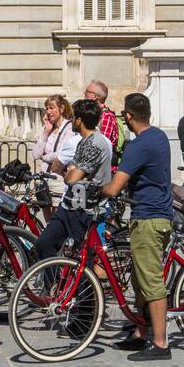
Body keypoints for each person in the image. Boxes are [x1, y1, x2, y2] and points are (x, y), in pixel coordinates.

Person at [101, 93, 173, 362]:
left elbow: (115, 187)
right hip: (160, 216)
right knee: (140, 279)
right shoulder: (160, 136)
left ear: (128, 116)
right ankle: (141, 334)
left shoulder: (138, 146)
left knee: (151, 281)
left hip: (148, 219)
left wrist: (99, 188)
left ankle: (160, 343)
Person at [34, 99, 113, 260]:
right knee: (44, 243)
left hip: (83, 208)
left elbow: (71, 178)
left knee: (83, 258)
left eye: (73, 117)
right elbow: (71, 175)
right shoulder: (84, 141)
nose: (70, 121)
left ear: (79, 120)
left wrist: (71, 173)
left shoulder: (95, 143)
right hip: (70, 205)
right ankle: (54, 284)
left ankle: (87, 285)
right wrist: (72, 173)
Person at [33, 94, 81, 216]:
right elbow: (35, 153)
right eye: (47, 108)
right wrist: (46, 132)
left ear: (61, 108)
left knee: (56, 212)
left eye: (52, 108)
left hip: (57, 177)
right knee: (45, 209)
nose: (48, 112)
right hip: (43, 176)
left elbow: (62, 153)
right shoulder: (47, 127)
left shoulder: (69, 127)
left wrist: (45, 156)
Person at [84, 79, 126, 164]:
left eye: (87, 92)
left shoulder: (106, 116)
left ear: (96, 97)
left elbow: (100, 144)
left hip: (105, 169)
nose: (84, 94)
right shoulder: (94, 114)